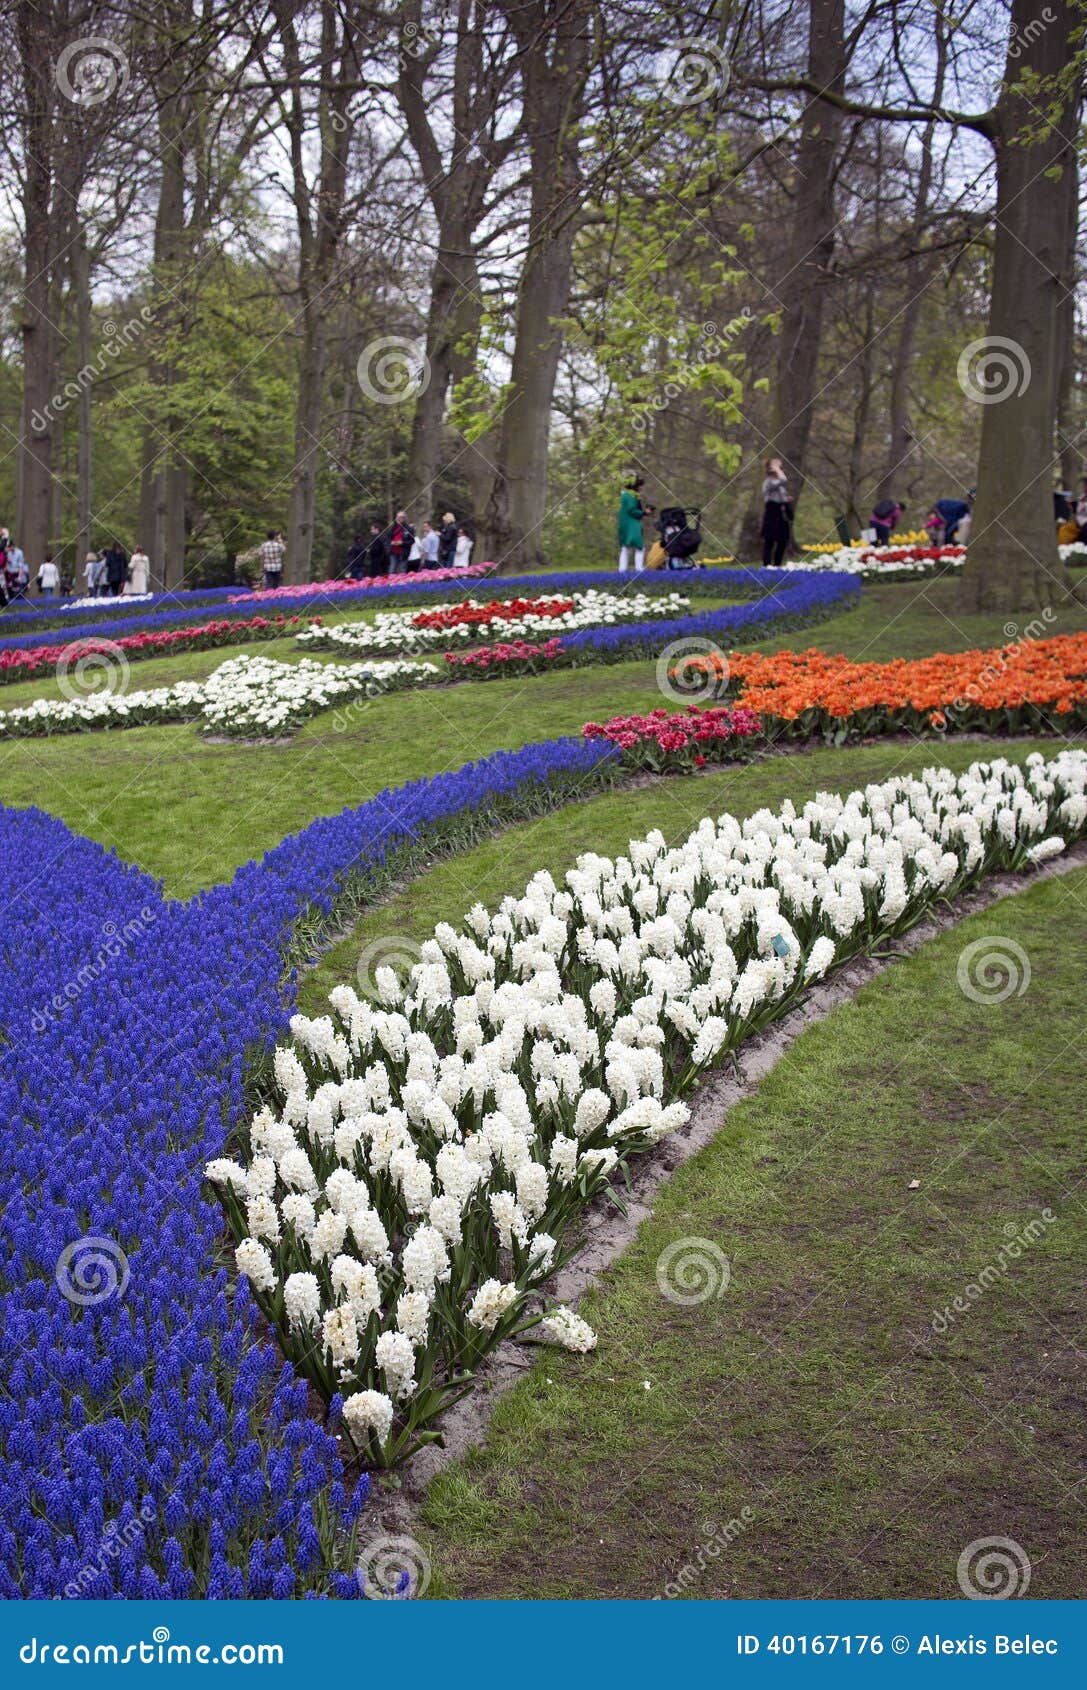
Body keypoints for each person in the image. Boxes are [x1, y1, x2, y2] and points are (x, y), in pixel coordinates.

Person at [760, 458, 792, 567]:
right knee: (769, 540)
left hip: (781, 513)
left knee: (782, 541)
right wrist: (778, 470)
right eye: (777, 466)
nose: (780, 468)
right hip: (772, 514)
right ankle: (767, 565)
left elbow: (781, 493)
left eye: (780, 466)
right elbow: (783, 479)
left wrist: (787, 499)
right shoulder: (768, 482)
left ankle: (777, 565)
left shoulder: (780, 484)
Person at [617, 477, 649, 571]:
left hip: (624, 524)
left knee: (625, 547)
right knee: (639, 547)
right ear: (635, 486)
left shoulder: (625, 495)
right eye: (639, 486)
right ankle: (639, 569)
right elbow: (632, 510)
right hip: (632, 524)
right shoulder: (631, 496)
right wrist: (644, 512)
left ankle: (622, 570)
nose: (641, 488)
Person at [388, 510, 414, 574]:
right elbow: (388, 538)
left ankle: (403, 583)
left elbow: (412, 541)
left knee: (403, 570)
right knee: (392, 569)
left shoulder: (409, 528)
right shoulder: (393, 527)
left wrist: (402, 543)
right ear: (396, 518)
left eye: (402, 517)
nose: (400, 518)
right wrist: (391, 542)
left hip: (403, 552)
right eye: (399, 517)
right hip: (393, 551)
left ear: (405, 518)